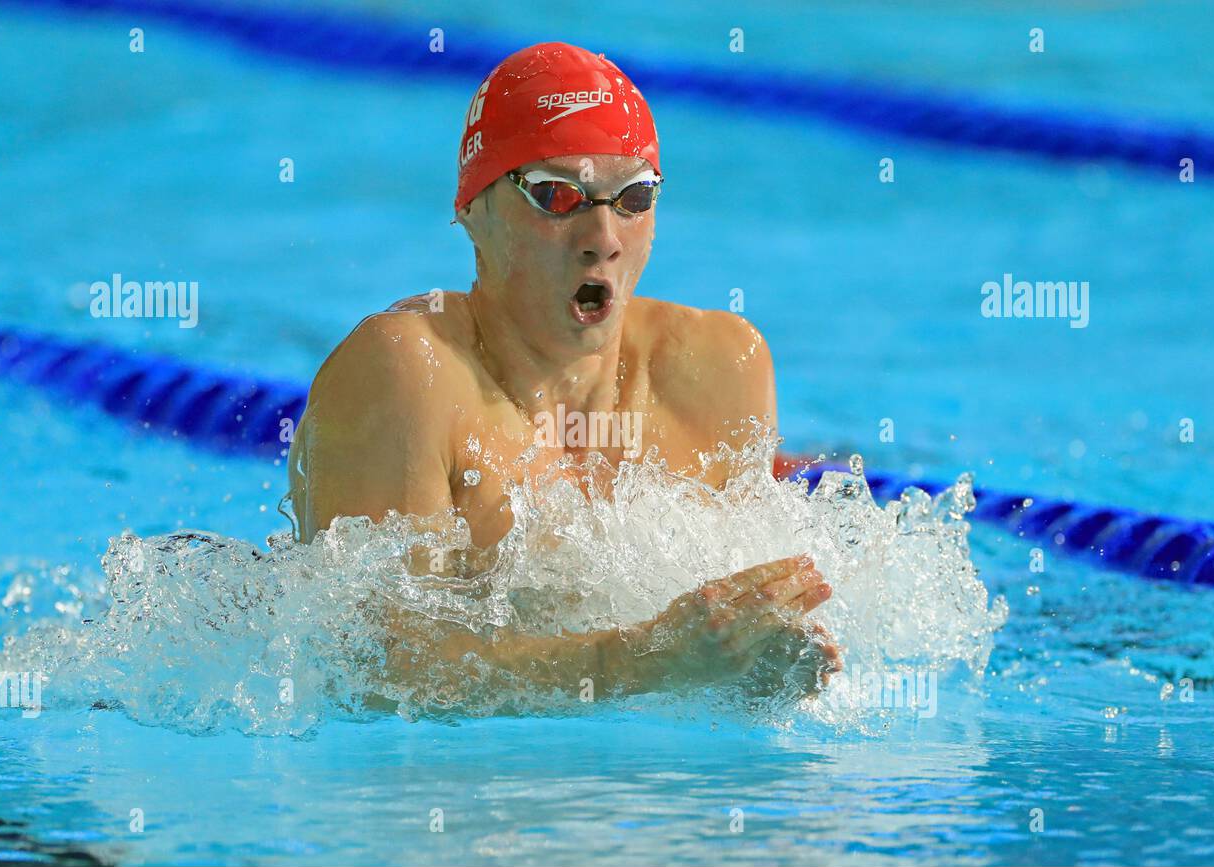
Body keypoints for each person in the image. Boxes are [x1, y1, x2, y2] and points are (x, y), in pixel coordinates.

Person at [287, 42, 838, 701]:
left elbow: (720, 645)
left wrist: (762, 669)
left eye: (634, 197)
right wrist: (641, 663)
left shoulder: (720, 366)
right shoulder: (409, 374)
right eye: (558, 195)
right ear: (473, 210)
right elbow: (379, 671)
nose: (604, 234)